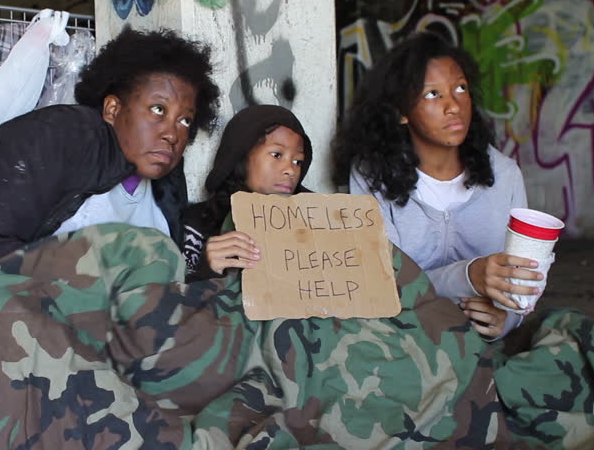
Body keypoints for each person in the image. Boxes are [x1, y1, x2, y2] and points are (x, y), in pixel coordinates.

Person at [0, 26, 221, 380]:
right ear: (112, 109)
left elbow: (157, 281)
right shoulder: (55, 138)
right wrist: (89, 295)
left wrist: (203, 271)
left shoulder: (165, 182)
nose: (172, 133)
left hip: (100, 344)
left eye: (185, 120)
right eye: (157, 109)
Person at [332, 32, 542, 340]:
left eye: (460, 88)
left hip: (478, 346)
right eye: (433, 94)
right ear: (401, 112)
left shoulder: (505, 175)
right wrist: (469, 276)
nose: (453, 106)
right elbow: (381, 283)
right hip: (400, 339)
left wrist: (507, 319)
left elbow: (527, 274)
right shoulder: (372, 177)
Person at [183, 104, 312, 282]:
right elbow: (171, 296)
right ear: (240, 157)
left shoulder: (314, 222)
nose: (291, 170)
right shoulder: (196, 226)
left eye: (298, 161)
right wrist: (207, 269)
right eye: (277, 155)